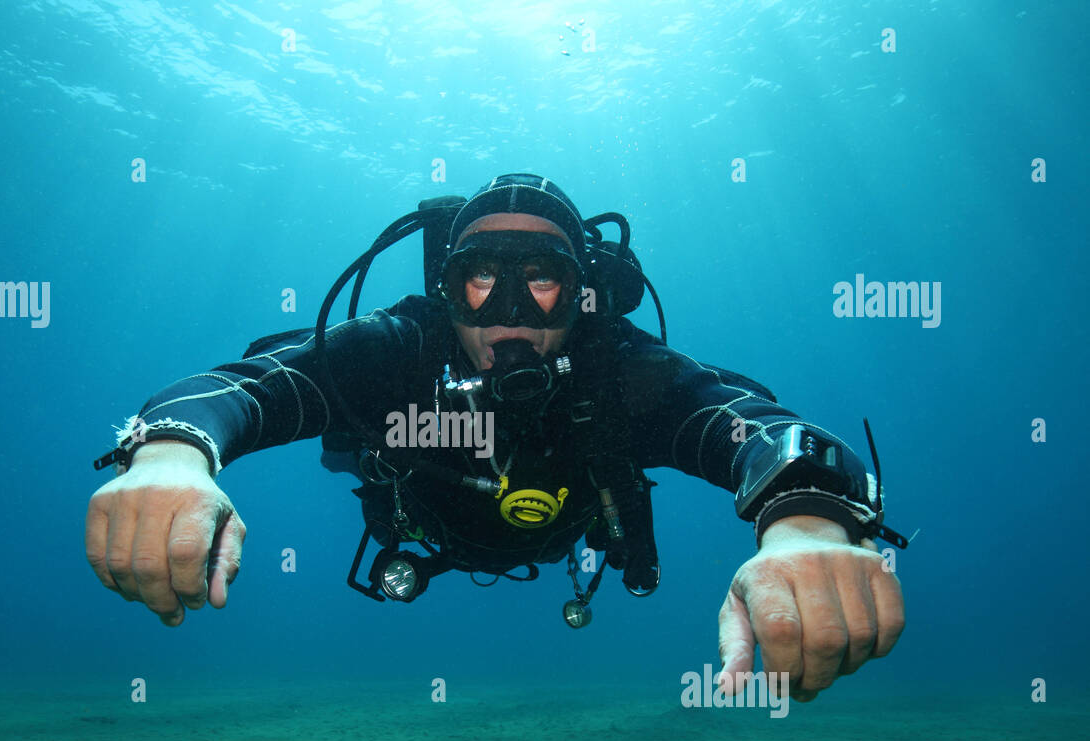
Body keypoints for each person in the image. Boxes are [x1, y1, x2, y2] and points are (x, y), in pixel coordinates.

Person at [86, 173, 907, 702]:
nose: (510, 310)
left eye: (542, 280)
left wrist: (804, 518)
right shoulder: (397, 350)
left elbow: (758, 425)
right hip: (421, 526)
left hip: (564, 532)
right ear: (446, 290)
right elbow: (245, 386)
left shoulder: (620, 371)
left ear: (584, 295)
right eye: (481, 277)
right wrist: (169, 453)